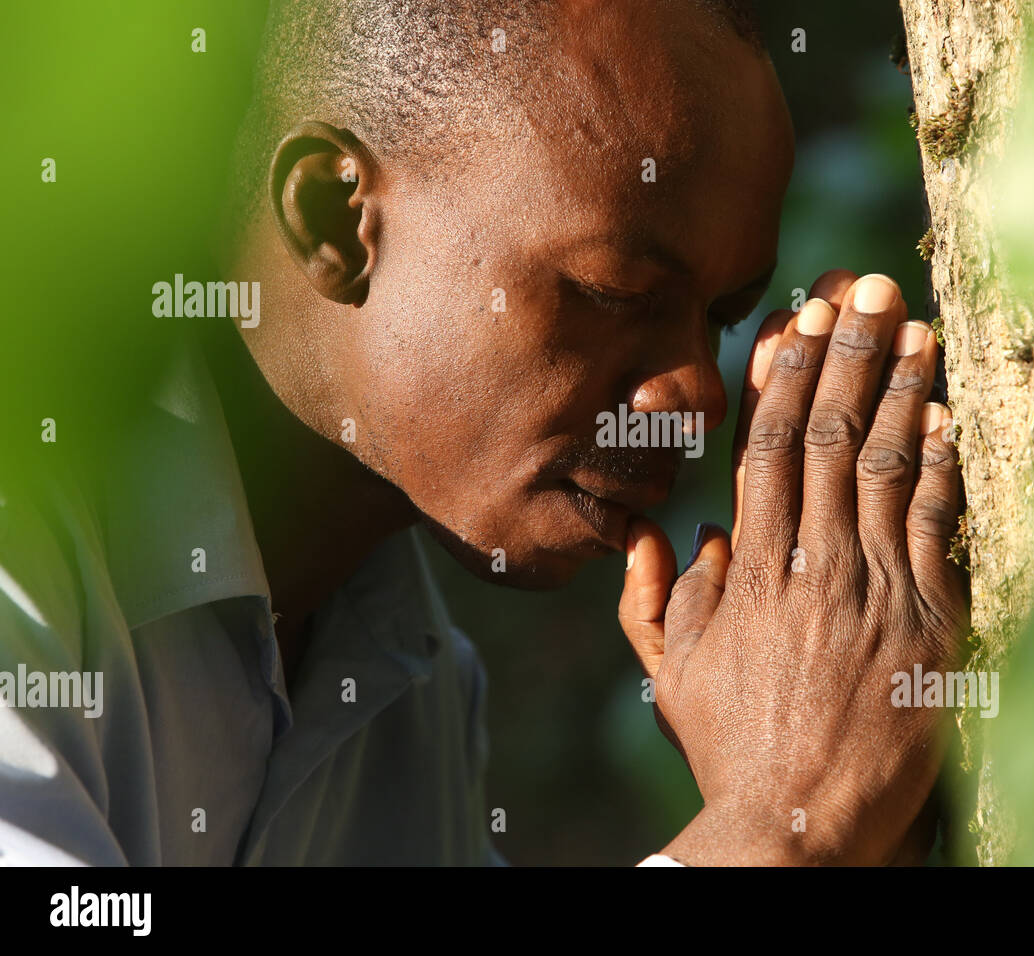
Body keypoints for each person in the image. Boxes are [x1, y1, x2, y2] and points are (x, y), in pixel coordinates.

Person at [0, 0, 965, 865]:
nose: (694, 398)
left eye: (722, 317)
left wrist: (850, 777)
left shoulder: (401, 678)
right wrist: (777, 822)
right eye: (614, 291)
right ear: (337, 221)